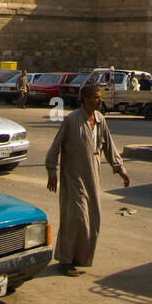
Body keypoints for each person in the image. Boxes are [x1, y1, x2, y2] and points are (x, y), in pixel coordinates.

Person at [45, 82, 130, 276]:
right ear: (86, 99)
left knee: (93, 218)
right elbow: (54, 149)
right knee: (76, 217)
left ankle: (80, 258)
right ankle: (65, 260)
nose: (100, 100)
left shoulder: (100, 119)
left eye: (100, 97)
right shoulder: (72, 120)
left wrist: (121, 169)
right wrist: (52, 172)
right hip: (73, 177)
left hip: (93, 176)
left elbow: (109, 147)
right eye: (97, 97)